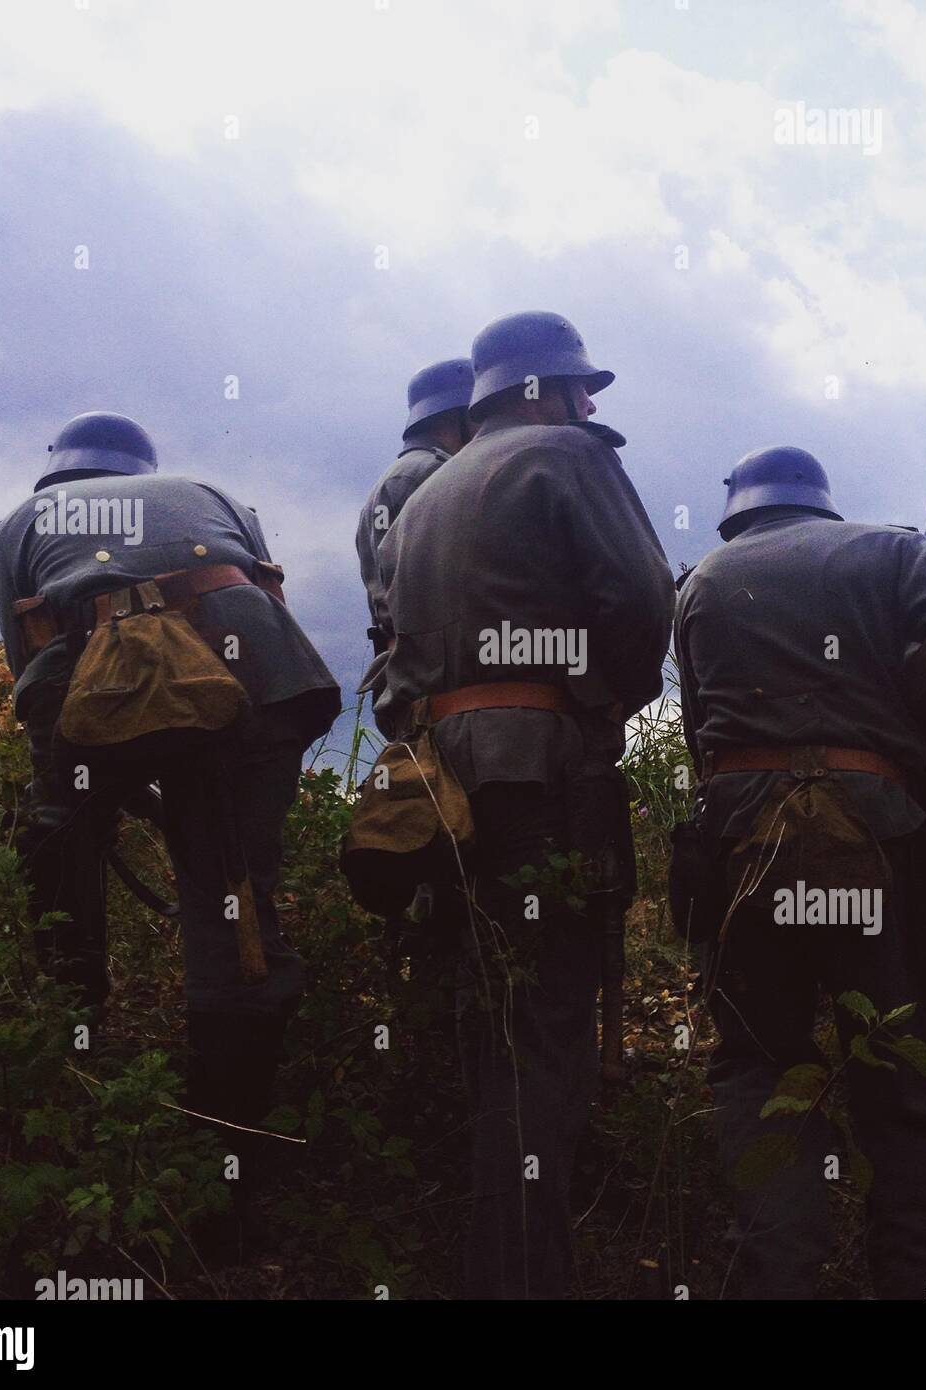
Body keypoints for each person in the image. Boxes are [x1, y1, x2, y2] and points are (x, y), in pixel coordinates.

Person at [375, 310, 674, 1298]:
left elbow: (398, 657)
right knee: (544, 1039)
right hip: (544, 770)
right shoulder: (567, 451)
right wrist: (602, 703)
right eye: (582, 386)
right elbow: (639, 600)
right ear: (545, 390)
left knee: (492, 1027)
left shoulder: (422, 493)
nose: (592, 404)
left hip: (447, 786)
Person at [674, 448, 926, 1298]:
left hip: (743, 833)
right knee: (901, 1064)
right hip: (880, 825)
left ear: (736, 510)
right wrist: (920, 726)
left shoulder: (702, 581)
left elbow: (698, 732)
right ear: (819, 502)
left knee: (758, 1065)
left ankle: (778, 1280)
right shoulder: (886, 550)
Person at [0, 410, 340, 1140]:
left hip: (93, 670)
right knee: (232, 889)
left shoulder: (22, 521)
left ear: (58, 468)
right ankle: (230, 1144)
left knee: (55, 833)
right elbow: (266, 595)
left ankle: (70, 1035)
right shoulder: (215, 494)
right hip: (255, 668)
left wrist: (81, 787)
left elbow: (29, 664)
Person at [356, 357, 474, 661]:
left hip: (410, 665)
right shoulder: (432, 474)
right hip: (435, 667)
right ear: (461, 415)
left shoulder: (401, 474)